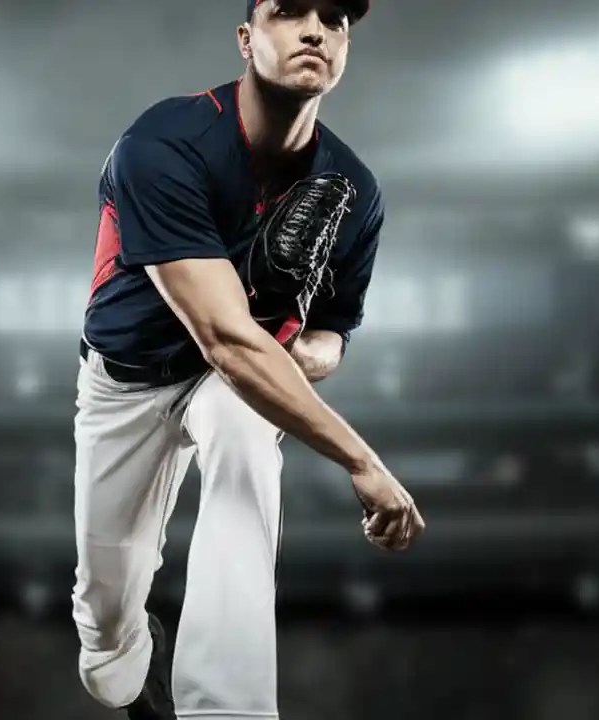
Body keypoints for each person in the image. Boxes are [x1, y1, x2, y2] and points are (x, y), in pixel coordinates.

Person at [72, 1, 425, 718]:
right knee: (103, 638)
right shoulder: (163, 142)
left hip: (228, 382)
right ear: (246, 38)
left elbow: (331, 333)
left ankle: (225, 707)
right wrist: (364, 461)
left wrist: (300, 350)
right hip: (127, 383)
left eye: (335, 17)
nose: (315, 29)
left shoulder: (356, 191)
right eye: (289, 10)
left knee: (245, 431)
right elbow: (226, 339)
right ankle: (126, 657)